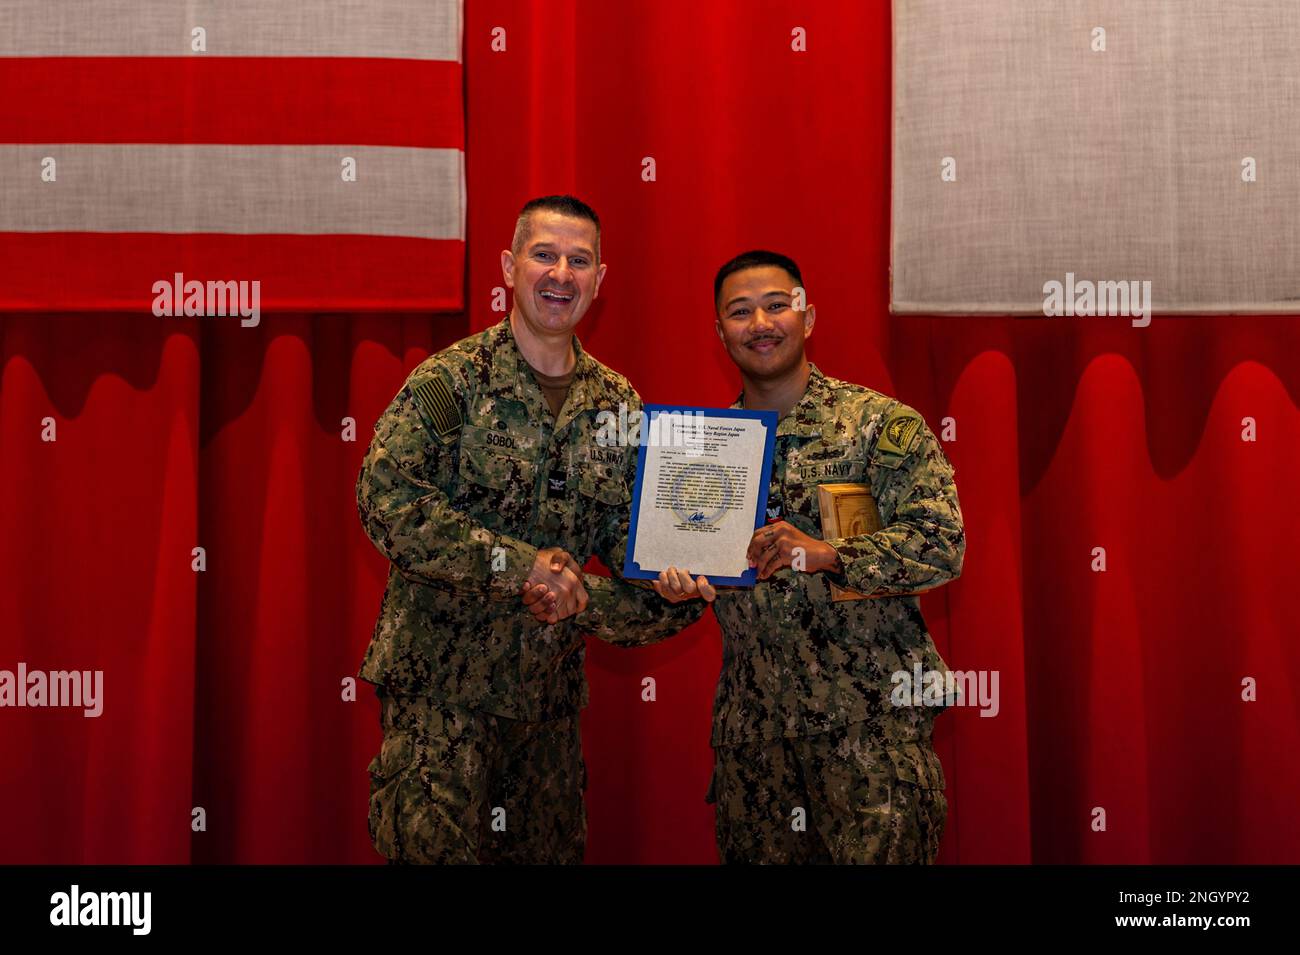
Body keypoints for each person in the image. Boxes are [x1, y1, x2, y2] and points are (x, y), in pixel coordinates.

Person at [355, 195, 703, 864]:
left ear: (601, 279)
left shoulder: (620, 407)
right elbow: (386, 498)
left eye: (579, 260)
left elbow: (643, 556)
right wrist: (522, 569)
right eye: (544, 255)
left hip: (547, 711)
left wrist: (684, 581)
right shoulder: (449, 383)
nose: (561, 275)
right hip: (442, 702)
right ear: (510, 267)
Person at [652, 249, 966, 863]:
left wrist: (827, 553)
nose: (760, 323)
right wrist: (672, 582)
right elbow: (679, 567)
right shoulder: (702, 451)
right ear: (720, 332)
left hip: (871, 736)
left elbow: (943, 543)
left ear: (808, 316)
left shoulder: (878, 426)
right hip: (756, 745)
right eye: (740, 312)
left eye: (777, 305)